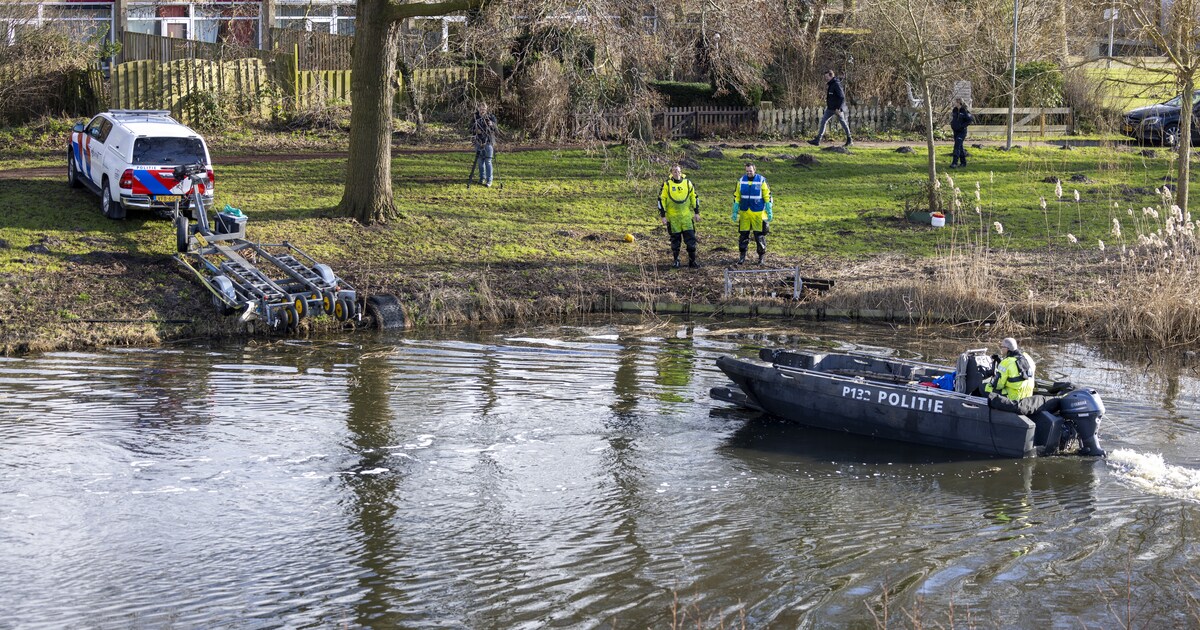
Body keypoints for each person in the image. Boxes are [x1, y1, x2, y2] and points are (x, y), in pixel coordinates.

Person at [658, 164, 701, 269]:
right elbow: (661, 200)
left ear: (681, 172)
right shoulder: (667, 184)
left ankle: (692, 261)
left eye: (678, 171)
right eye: (674, 171)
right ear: (671, 173)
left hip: (686, 218)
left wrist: (697, 212)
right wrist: (663, 216)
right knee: (675, 241)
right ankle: (676, 261)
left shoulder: (687, 183)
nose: (676, 173)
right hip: (673, 219)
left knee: (691, 240)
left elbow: (694, 197)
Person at [730, 163, 772, 265]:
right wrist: (735, 209)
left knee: (759, 237)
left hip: (758, 213)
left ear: (754, 170)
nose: (749, 173)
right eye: (747, 171)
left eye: (751, 171)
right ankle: (742, 257)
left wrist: (769, 208)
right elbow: (737, 196)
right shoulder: (741, 181)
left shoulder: (761, 180)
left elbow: (767, 195)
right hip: (744, 213)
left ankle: (761, 258)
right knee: (743, 236)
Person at [808, 69, 853, 147]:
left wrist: (838, 108)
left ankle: (849, 139)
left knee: (843, 123)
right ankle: (817, 140)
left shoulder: (836, 84)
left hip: (836, 109)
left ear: (831, 76)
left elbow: (842, 97)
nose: (825, 78)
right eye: (825, 77)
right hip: (830, 108)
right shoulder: (832, 83)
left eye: (827, 77)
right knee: (823, 121)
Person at [986, 337, 1036, 402]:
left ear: (1007, 349)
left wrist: (990, 383)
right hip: (1028, 396)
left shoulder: (1006, 362)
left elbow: (998, 385)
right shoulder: (1027, 357)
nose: (1001, 349)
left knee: (984, 387)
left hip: (1014, 398)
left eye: (1002, 347)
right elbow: (1018, 369)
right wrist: (1000, 362)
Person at [471, 103, 497, 187]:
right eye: (481, 109)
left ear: (486, 109)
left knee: (488, 161)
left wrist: (492, 124)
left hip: (488, 141)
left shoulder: (491, 117)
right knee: (480, 161)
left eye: (484, 109)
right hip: (478, 141)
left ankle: (489, 180)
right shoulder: (475, 117)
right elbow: (470, 129)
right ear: (478, 109)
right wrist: (475, 130)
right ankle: (482, 178)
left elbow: (496, 129)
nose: (482, 111)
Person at [949, 98, 974, 169]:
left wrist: (962, 126)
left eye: (956, 102)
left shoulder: (965, 111)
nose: (954, 103)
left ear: (959, 102)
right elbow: (953, 119)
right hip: (955, 131)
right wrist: (953, 125)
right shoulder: (954, 110)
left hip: (962, 132)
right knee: (960, 147)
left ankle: (954, 163)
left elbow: (970, 120)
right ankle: (963, 162)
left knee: (956, 146)